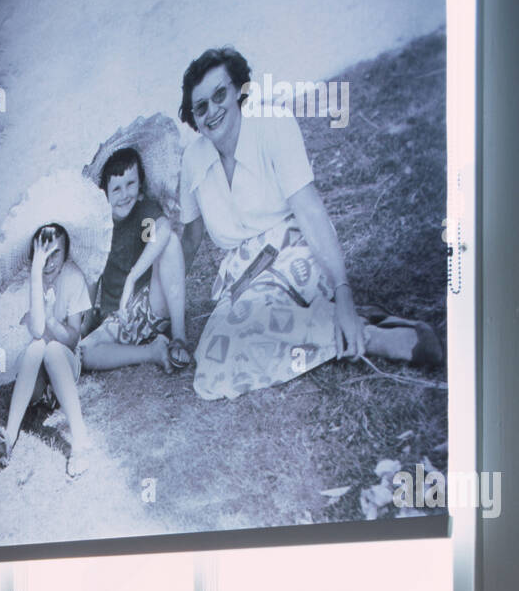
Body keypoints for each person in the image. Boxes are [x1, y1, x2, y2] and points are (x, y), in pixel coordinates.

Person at [177, 47, 443, 400]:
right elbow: (190, 239)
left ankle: (378, 338)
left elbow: (311, 213)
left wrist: (343, 292)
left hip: (296, 250)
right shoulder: (193, 161)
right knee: (211, 364)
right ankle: (350, 322)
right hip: (243, 277)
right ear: (194, 117)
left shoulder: (273, 125)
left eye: (219, 94)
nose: (212, 111)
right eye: (201, 106)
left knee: (247, 325)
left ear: (240, 90)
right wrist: (153, 302)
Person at [0, 222, 94, 478]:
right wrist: (36, 275)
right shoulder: (29, 278)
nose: (48, 262)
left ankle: (80, 442)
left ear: (67, 252)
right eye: (42, 255)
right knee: (38, 346)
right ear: (32, 255)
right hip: (36, 380)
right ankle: (9, 437)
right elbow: (37, 331)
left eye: (55, 254)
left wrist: (51, 319)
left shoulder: (73, 278)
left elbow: (72, 340)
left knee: (53, 350)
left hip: (65, 365)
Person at [79, 147, 191, 375]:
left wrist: (132, 277)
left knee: (169, 243)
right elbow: (93, 278)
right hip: (120, 316)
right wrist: (84, 326)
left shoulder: (143, 214)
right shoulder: (100, 229)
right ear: (105, 194)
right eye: (117, 189)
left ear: (140, 183)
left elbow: (163, 229)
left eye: (131, 183)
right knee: (84, 352)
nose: (125, 194)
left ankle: (179, 337)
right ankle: (153, 351)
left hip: (152, 305)